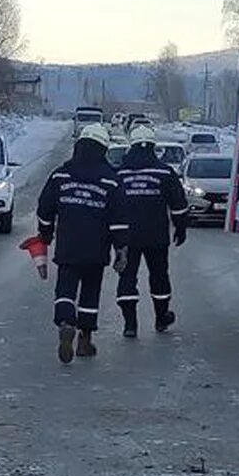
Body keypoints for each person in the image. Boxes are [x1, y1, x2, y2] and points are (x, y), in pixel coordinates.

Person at [36, 123, 128, 364]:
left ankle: (66, 322)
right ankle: (84, 341)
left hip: (68, 246)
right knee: (90, 292)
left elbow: (45, 208)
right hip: (96, 250)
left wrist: (45, 234)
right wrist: (121, 249)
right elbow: (119, 219)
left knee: (65, 289)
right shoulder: (111, 180)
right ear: (103, 148)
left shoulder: (61, 175)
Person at [113, 125, 190, 338]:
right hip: (156, 236)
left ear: (131, 146)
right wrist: (181, 228)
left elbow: (110, 205)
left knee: (127, 277)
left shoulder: (120, 173)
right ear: (153, 147)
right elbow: (179, 204)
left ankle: (130, 324)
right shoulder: (164, 172)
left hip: (126, 237)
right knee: (159, 276)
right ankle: (161, 317)